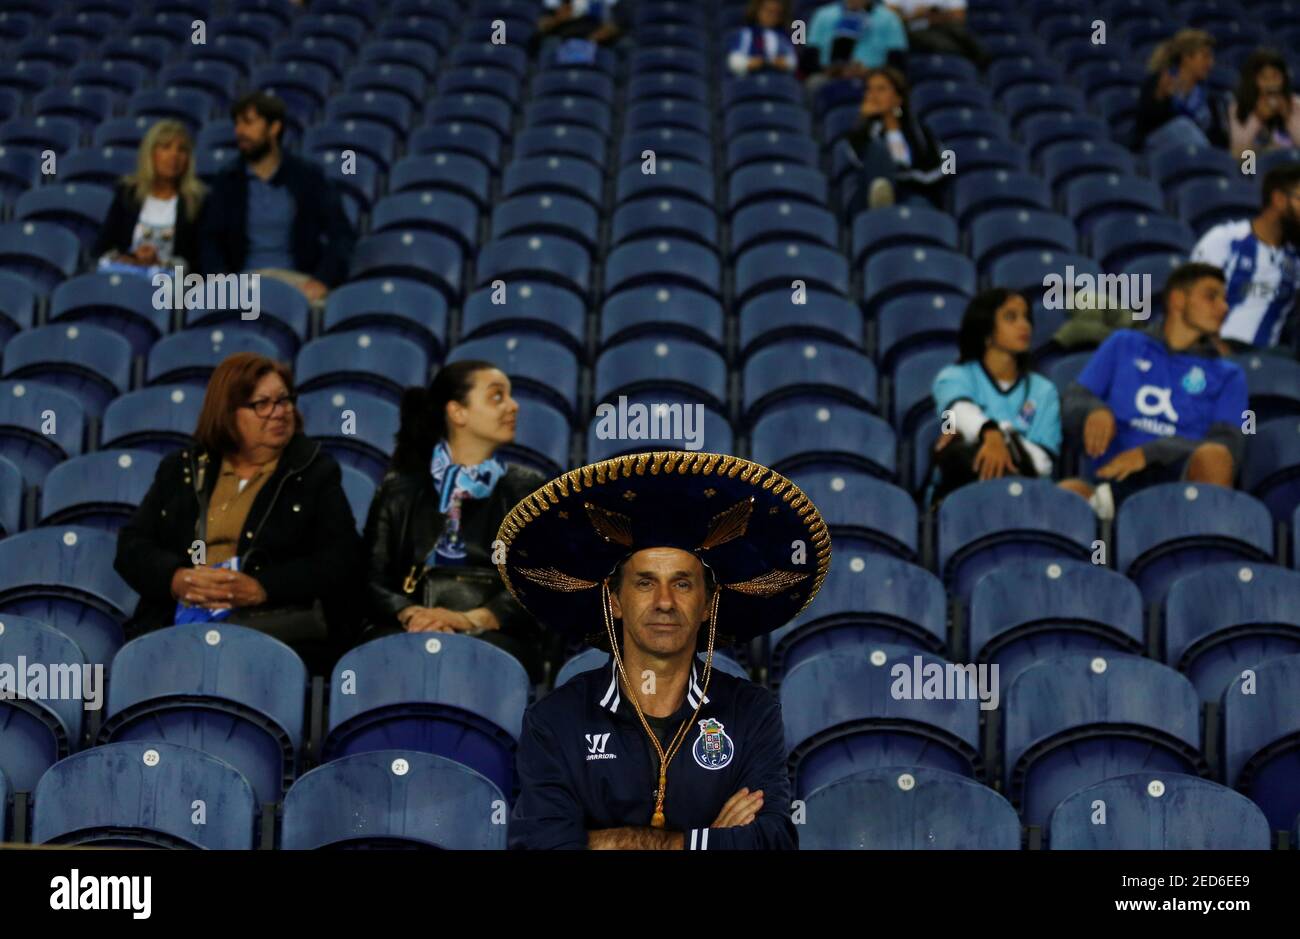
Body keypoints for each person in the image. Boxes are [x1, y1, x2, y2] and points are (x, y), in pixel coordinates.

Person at [504, 450, 828, 850]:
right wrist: (708, 840)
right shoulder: (553, 720)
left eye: (683, 583)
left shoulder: (753, 712)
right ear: (615, 601)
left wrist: (602, 841)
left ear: (708, 604)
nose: (664, 601)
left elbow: (772, 841)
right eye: (644, 583)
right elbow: (541, 846)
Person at [114, 352, 365, 674]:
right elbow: (131, 547)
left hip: (268, 636)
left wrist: (264, 587)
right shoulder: (181, 469)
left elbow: (343, 560)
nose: (279, 413)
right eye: (262, 404)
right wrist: (177, 578)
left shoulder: (313, 473)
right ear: (228, 413)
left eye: (285, 400)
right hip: (176, 628)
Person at [362, 361, 549, 684]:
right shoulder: (399, 489)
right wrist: (412, 613)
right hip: (409, 626)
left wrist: (468, 618)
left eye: (511, 396)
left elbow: (539, 581)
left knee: (484, 660)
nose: (513, 405)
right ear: (458, 413)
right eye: (497, 397)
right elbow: (370, 580)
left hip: (497, 634)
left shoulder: (530, 489)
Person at [1058, 263, 1248, 520]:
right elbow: (1072, 400)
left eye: (1224, 299)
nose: (1223, 307)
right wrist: (1095, 409)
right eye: (1211, 296)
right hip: (1114, 481)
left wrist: (1152, 452)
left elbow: (1229, 447)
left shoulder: (1229, 374)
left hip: (1181, 485)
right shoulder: (1124, 343)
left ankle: (1202, 550)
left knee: (1215, 456)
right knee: (1064, 494)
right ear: (1178, 299)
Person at [199, 92, 355, 308]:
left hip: (297, 283)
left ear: (274, 128)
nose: (239, 131)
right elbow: (209, 240)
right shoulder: (227, 180)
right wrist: (219, 280)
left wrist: (322, 280)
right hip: (242, 283)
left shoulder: (308, 177)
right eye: (237, 124)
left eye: (248, 123)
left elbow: (341, 235)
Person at [930, 289, 1062, 501]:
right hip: (962, 495)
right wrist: (991, 434)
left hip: (1028, 498)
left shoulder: (1044, 390)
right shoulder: (953, 377)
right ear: (986, 330)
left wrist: (1001, 439)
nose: (1024, 325)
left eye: (1026, 317)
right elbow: (956, 414)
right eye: (1011, 317)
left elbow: (1043, 462)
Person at [1190, 162, 1300, 351]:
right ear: (1279, 200)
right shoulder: (1225, 240)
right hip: (1212, 352)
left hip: (1268, 363)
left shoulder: (1296, 259)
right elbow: (1192, 301)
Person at [93, 119, 205, 273]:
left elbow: (200, 261)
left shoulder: (197, 201)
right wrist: (132, 257)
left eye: (182, 150)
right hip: (128, 278)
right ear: (150, 154)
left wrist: (161, 262)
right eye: (166, 147)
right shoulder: (128, 194)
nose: (174, 156)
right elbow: (102, 248)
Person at [843, 66, 946, 212]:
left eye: (881, 89)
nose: (873, 95)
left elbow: (937, 170)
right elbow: (857, 159)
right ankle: (883, 203)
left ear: (898, 98)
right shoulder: (866, 132)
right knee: (878, 148)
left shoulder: (919, 132)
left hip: (912, 194)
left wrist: (904, 175)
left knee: (919, 205)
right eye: (870, 90)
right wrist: (864, 121)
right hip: (869, 196)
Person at [1133, 29, 1228, 154]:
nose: (1211, 63)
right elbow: (1143, 126)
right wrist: (1161, 98)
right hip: (1159, 153)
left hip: (1195, 154)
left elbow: (1219, 139)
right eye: (1205, 56)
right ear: (1187, 58)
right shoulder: (1160, 81)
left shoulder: (1210, 97)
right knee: (1183, 126)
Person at [806, 0, 908, 89]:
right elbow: (809, 60)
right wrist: (834, 70)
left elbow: (897, 62)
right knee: (814, 83)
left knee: (887, 84)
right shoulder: (823, 15)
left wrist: (870, 71)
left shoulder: (889, 18)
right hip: (830, 75)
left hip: (876, 75)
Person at [1229, 49, 1300, 159]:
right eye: (1264, 78)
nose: (1270, 83)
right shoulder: (1239, 107)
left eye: (1275, 76)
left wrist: (1287, 117)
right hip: (1253, 168)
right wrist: (1258, 117)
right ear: (1253, 80)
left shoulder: (1295, 104)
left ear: (1284, 78)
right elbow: (1239, 152)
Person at [886, 0, 986, 67]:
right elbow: (890, 19)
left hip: (944, 27)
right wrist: (917, 16)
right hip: (914, 31)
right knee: (937, 40)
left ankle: (983, 61)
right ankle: (964, 61)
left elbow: (960, 16)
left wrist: (939, 16)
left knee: (961, 33)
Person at [727, 0, 797, 78]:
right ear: (757, 11)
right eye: (768, 11)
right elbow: (734, 62)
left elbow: (792, 62)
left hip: (776, 80)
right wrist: (752, 63)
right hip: (749, 79)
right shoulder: (746, 34)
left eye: (776, 13)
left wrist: (782, 63)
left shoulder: (783, 37)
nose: (771, 16)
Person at [536, 0, 624, 47]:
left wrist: (599, 36)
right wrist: (559, 18)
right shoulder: (555, 2)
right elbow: (543, 26)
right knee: (548, 44)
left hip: (598, 37)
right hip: (563, 37)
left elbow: (617, 25)